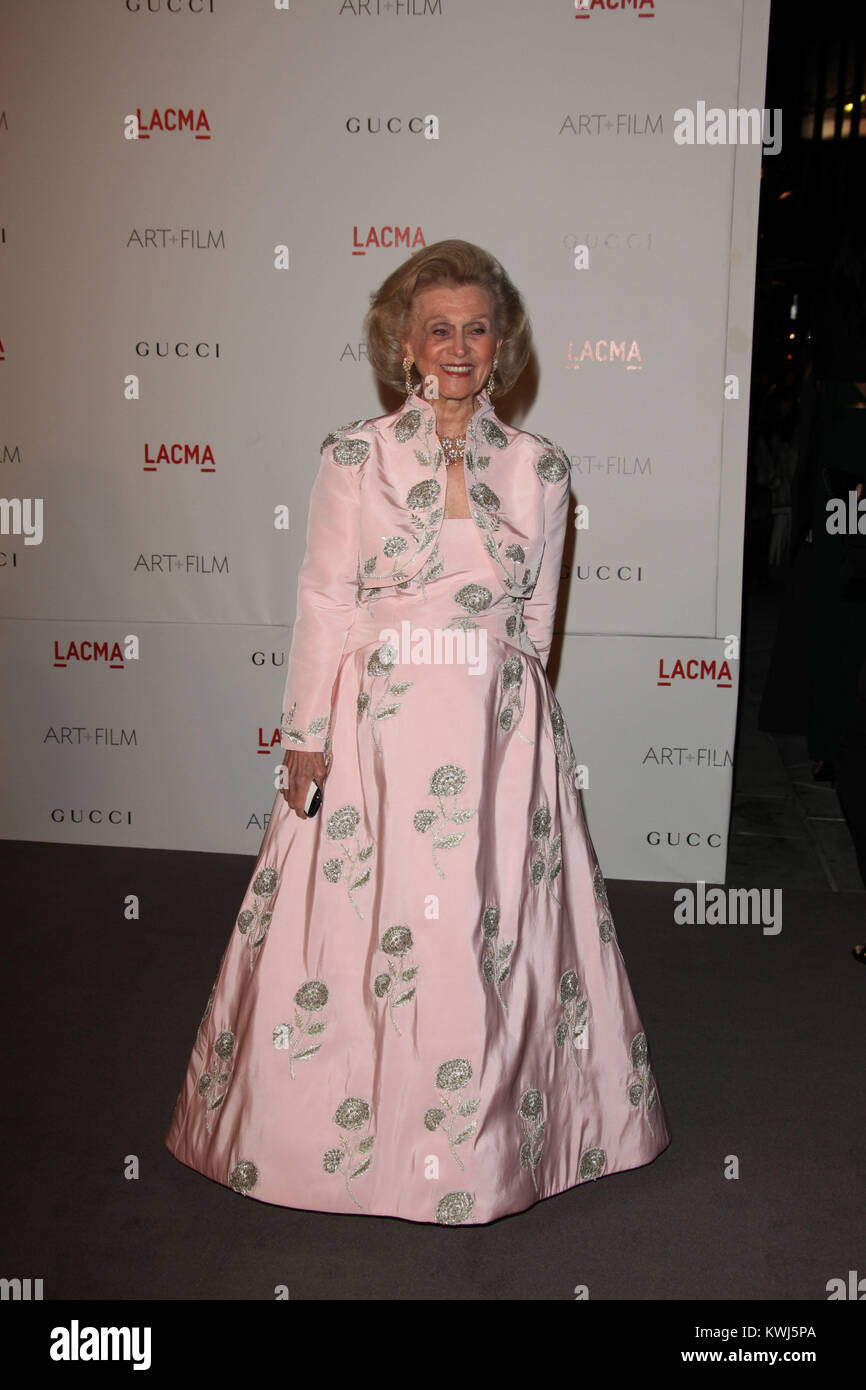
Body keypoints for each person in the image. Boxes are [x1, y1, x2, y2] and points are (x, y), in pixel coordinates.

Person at [164, 240, 671, 1225]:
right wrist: (303, 733)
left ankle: (486, 1140)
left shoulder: (541, 467)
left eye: (476, 326)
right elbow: (324, 597)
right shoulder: (354, 456)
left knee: (489, 930)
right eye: (437, 326)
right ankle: (343, 1142)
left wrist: (525, 733)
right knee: (368, 933)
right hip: (377, 731)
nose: (457, 344)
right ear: (403, 340)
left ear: (502, 343)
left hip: (494, 729)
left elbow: (535, 626)